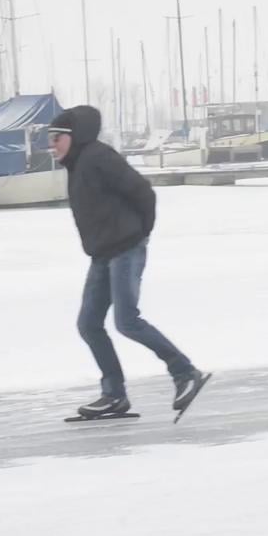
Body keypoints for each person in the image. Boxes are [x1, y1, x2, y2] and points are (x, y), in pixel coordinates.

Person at [48, 105, 207, 418]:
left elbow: (143, 192)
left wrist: (140, 234)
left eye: (56, 138)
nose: (51, 145)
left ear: (73, 136)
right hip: (102, 255)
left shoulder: (98, 157)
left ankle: (185, 373)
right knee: (89, 324)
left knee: (127, 321)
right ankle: (114, 395)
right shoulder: (78, 164)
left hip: (126, 250)